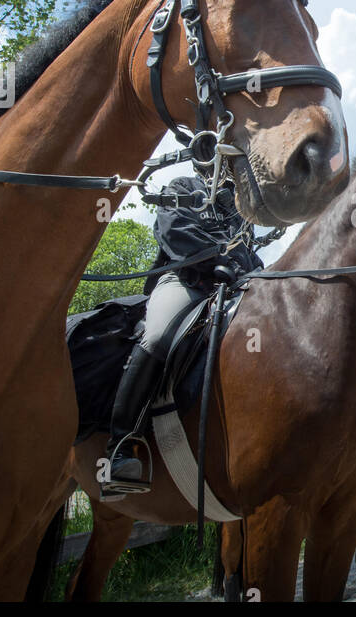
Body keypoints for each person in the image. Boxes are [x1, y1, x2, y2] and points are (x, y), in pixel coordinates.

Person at [102, 174, 261, 498]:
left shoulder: (243, 209)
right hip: (185, 283)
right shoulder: (184, 188)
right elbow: (175, 231)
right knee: (159, 336)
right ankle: (121, 446)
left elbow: (251, 256)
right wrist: (220, 259)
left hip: (231, 290)